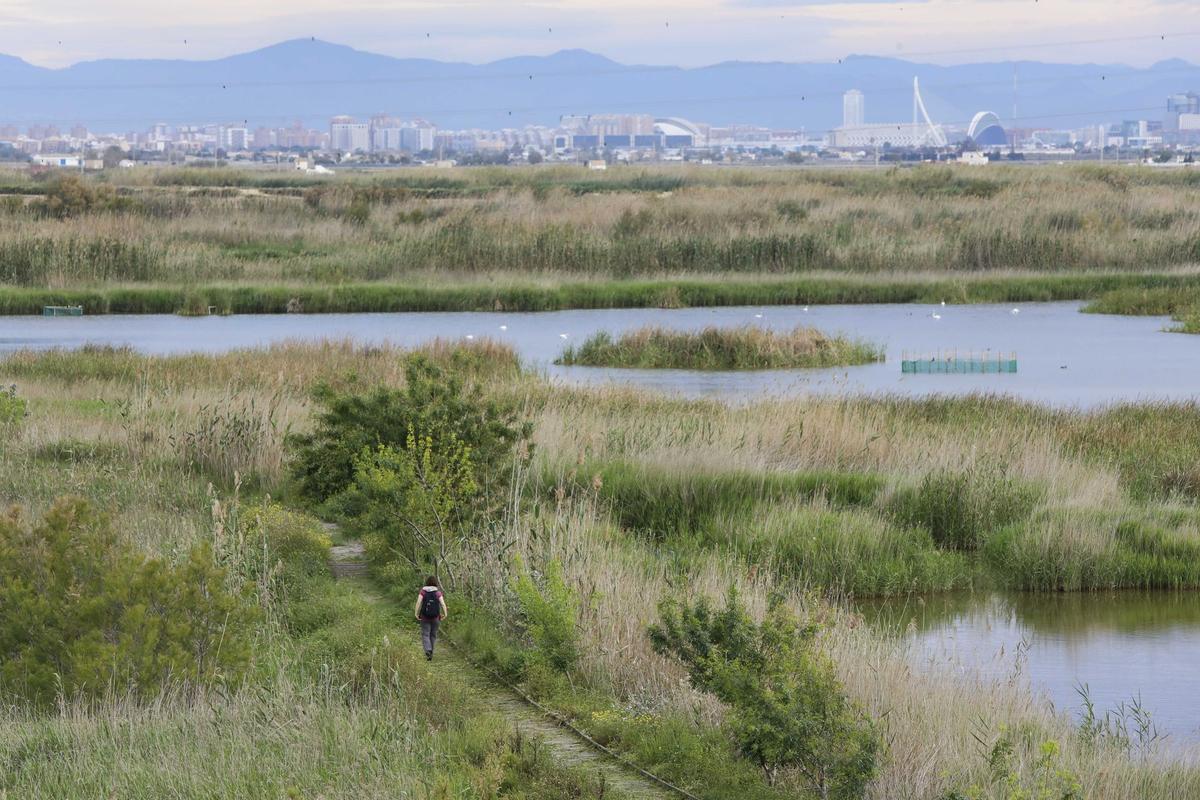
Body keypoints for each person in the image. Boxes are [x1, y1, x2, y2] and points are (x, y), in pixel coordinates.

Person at [415, 576, 448, 660]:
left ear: (427, 582)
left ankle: (428, 650)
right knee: (433, 635)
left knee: (425, 634)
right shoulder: (438, 593)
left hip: (425, 617)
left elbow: (418, 602)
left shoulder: (423, 592)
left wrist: (416, 613)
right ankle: (431, 652)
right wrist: (445, 614)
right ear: (435, 583)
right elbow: (443, 604)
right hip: (436, 617)